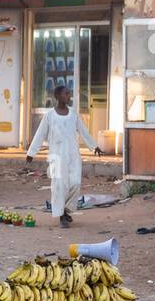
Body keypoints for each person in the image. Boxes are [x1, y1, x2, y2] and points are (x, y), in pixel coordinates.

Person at [25, 85, 102, 227]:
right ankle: (61, 216)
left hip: (73, 155)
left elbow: (83, 131)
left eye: (69, 94)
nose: (69, 96)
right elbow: (40, 134)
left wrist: (94, 146)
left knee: (75, 184)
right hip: (56, 156)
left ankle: (66, 209)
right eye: (66, 94)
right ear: (58, 96)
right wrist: (31, 153)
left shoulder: (73, 114)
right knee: (59, 185)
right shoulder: (50, 115)